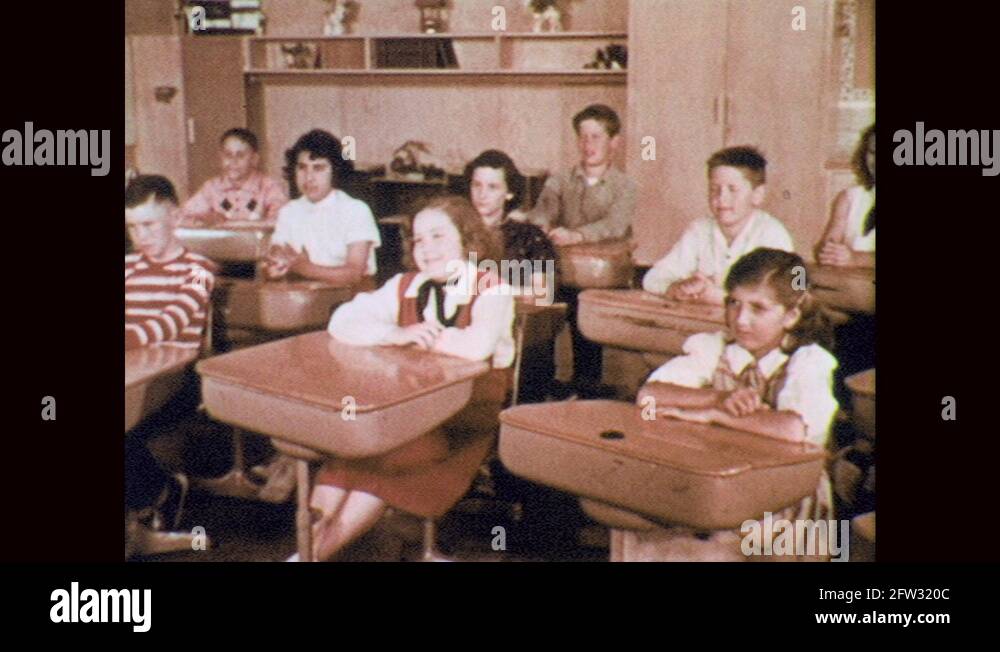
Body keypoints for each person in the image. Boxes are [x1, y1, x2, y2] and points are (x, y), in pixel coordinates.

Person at [291, 196, 515, 561]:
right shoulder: (406, 285)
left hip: (463, 420)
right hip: (408, 412)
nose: (426, 248)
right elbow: (342, 322)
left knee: (382, 459)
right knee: (353, 453)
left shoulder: (493, 289)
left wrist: (419, 334)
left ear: (468, 240)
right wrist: (393, 334)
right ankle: (307, 552)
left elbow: (476, 347)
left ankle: (308, 556)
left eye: (438, 236)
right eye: (419, 239)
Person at [638, 248, 839, 524]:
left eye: (758, 308)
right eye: (733, 303)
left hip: (786, 499)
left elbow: (794, 430)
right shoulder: (714, 348)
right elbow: (648, 398)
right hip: (723, 485)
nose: (741, 319)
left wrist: (716, 416)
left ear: (791, 315)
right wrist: (719, 398)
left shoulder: (809, 362)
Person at [125, 175, 217, 542]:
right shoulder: (127, 268)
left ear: (175, 218)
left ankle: (158, 494)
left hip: (178, 381)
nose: (140, 236)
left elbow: (172, 320)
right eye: (132, 227)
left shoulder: (199, 270)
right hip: (132, 372)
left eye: (148, 225)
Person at [524, 104, 636, 394]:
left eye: (596, 137)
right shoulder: (559, 180)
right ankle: (540, 386)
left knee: (585, 325)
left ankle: (587, 388)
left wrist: (577, 235)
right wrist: (541, 225)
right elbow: (543, 210)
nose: (588, 145)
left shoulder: (625, 186)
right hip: (562, 270)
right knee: (539, 315)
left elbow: (615, 224)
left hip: (601, 276)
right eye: (583, 137)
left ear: (614, 142)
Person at [642, 146, 794, 304]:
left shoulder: (771, 234)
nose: (721, 198)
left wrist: (721, 298)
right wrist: (675, 287)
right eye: (714, 189)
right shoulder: (700, 230)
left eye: (733, 189)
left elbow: (781, 298)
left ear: (757, 195)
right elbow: (653, 278)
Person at [464, 149, 558, 402]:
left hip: (515, 333)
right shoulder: (455, 234)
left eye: (492, 187)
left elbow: (542, 295)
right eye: (477, 185)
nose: (482, 194)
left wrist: (496, 294)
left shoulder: (530, 237)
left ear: (509, 192)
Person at [264, 129, 380, 287]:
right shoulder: (289, 211)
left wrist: (303, 267)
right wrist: (276, 265)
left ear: (335, 171)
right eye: (302, 168)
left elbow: (353, 274)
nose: (309, 177)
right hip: (303, 294)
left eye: (318, 168)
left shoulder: (356, 210)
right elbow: (277, 255)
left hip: (353, 297)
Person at [181, 128, 287, 226]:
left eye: (240, 155)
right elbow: (182, 217)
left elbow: (280, 221)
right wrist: (204, 218)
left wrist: (235, 224)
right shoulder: (212, 188)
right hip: (220, 245)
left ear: (254, 159)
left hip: (259, 245)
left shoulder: (269, 187)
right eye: (228, 155)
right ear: (221, 157)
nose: (233, 161)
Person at [815, 125, 875, 268]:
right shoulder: (849, 198)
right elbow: (827, 243)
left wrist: (857, 259)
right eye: (873, 152)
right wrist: (827, 251)